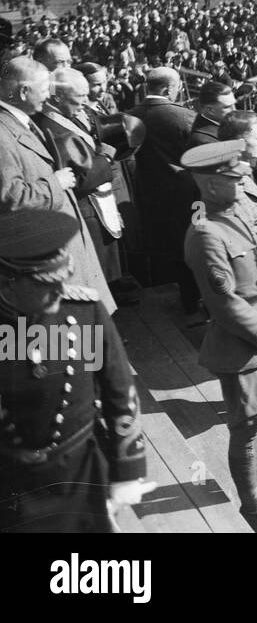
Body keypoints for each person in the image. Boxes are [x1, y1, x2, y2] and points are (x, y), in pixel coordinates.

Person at [181, 140, 257, 533]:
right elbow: (225, 305)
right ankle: (252, 508)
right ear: (212, 185)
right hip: (240, 345)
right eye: (235, 177)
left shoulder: (236, 214)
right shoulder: (205, 234)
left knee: (254, 422)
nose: (246, 179)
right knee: (246, 428)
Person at [0, 209, 150, 533]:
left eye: (62, 280)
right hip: (12, 487)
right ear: (9, 283)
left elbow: (120, 391)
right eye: (47, 284)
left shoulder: (81, 312)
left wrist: (128, 468)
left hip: (82, 473)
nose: (60, 291)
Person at [0, 58, 114, 314]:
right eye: (44, 90)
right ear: (23, 91)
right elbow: (11, 198)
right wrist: (56, 182)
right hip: (42, 260)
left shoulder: (21, 121)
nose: (49, 97)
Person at [128, 66, 201, 309]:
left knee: (160, 247)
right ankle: (192, 299)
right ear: (169, 89)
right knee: (187, 245)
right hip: (182, 194)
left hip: (145, 193)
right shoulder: (183, 116)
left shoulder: (129, 115)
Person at [186, 81, 236, 147]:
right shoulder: (204, 142)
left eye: (234, 104)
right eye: (227, 107)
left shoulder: (220, 124)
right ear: (210, 110)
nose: (234, 110)